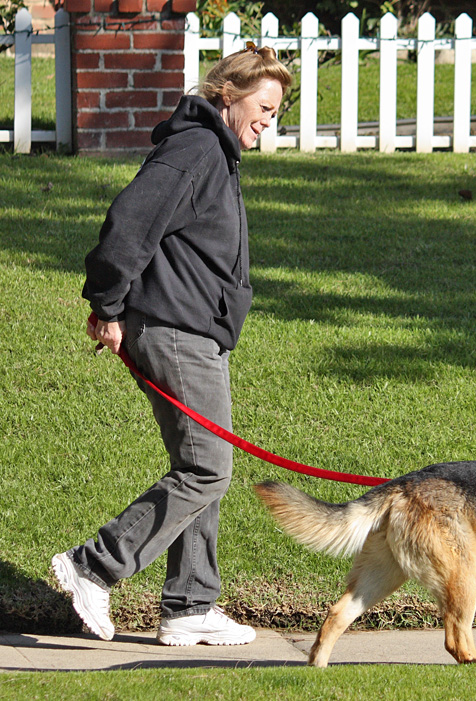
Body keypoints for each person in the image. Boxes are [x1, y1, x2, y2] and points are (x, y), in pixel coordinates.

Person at [51, 45, 292, 646]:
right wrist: (107, 305)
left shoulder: (216, 150)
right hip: (175, 331)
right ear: (228, 96)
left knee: (201, 468)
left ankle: (189, 605)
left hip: (195, 331)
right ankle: (93, 566)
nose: (270, 120)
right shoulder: (198, 148)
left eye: (276, 111)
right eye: (264, 107)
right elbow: (128, 225)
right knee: (207, 468)